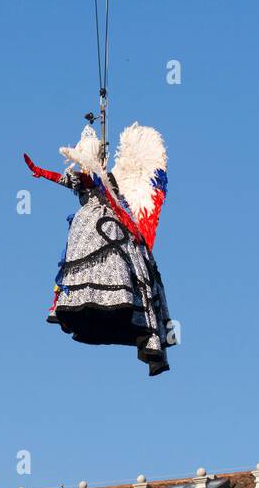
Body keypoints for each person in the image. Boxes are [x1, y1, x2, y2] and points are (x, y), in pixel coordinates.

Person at [24, 118, 173, 375]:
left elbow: (91, 180)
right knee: (67, 259)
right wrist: (39, 172)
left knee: (97, 254)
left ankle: (108, 298)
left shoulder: (100, 178)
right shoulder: (85, 177)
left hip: (102, 222)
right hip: (87, 222)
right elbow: (65, 179)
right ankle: (59, 301)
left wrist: (88, 168)